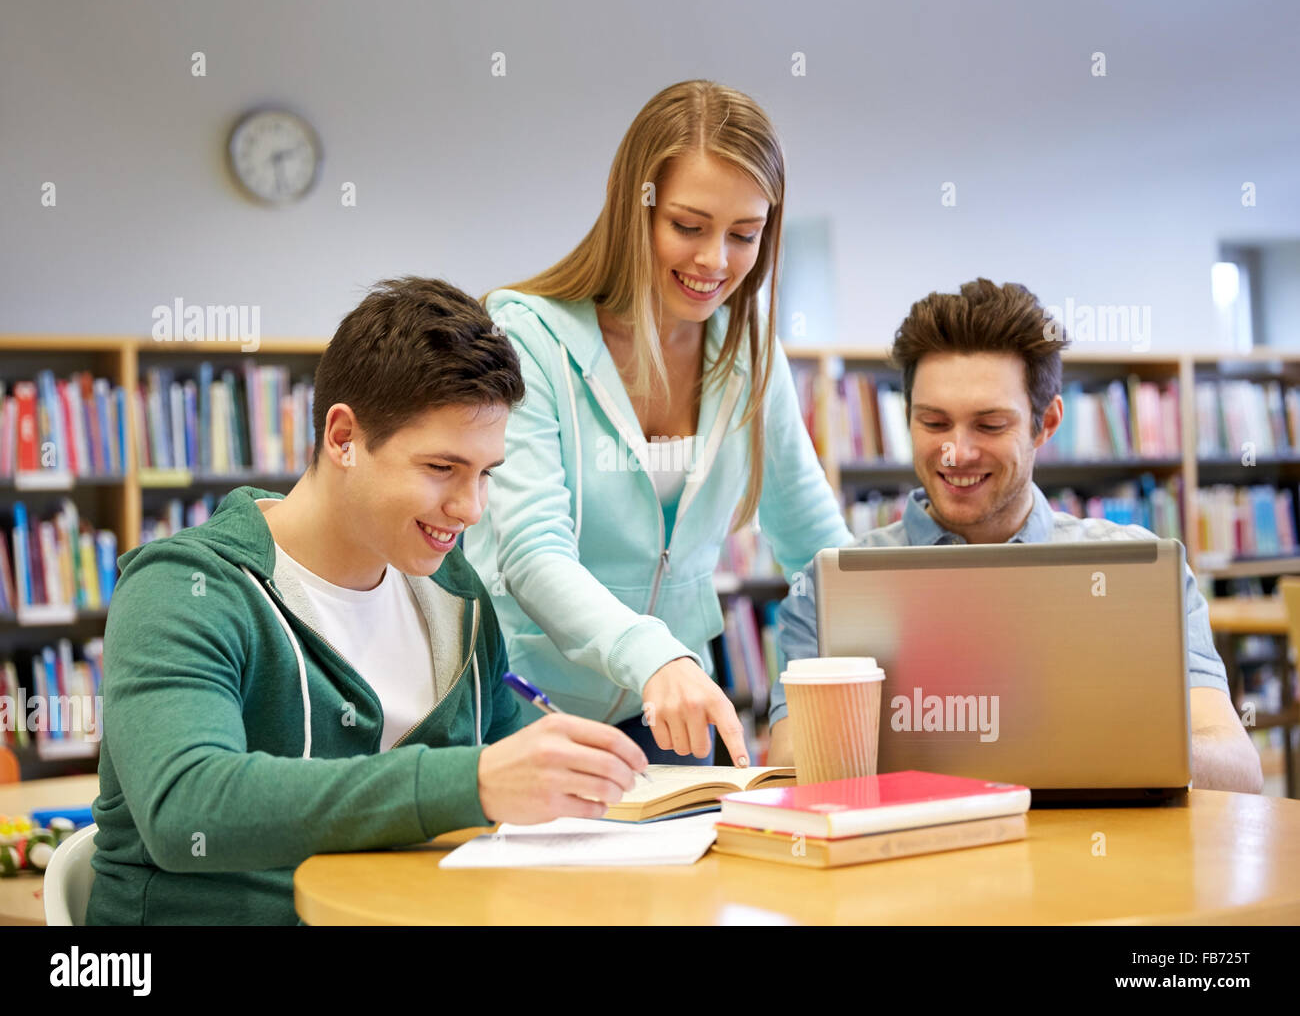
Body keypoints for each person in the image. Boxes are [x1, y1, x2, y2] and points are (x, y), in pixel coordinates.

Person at [87, 277, 649, 925]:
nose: (470, 508)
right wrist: (474, 782)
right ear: (343, 435)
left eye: (485, 472)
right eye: (441, 468)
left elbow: (510, 755)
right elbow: (186, 805)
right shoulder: (185, 590)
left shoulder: (453, 594)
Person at [465, 80, 852, 766]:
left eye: (745, 234)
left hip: (673, 716)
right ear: (633, 211)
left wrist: (826, 682)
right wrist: (653, 655)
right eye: (688, 225)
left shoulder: (752, 350)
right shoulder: (530, 336)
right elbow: (531, 549)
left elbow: (817, 546)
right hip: (524, 708)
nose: (715, 262)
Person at [767, 278, 1264, 793]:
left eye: (989, 425)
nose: (956, 452)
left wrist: (1078, 743)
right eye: (934, 423)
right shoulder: (826, 589)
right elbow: (787, 769)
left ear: (1045, 423)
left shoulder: (1140, 574)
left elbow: (1238, 771)